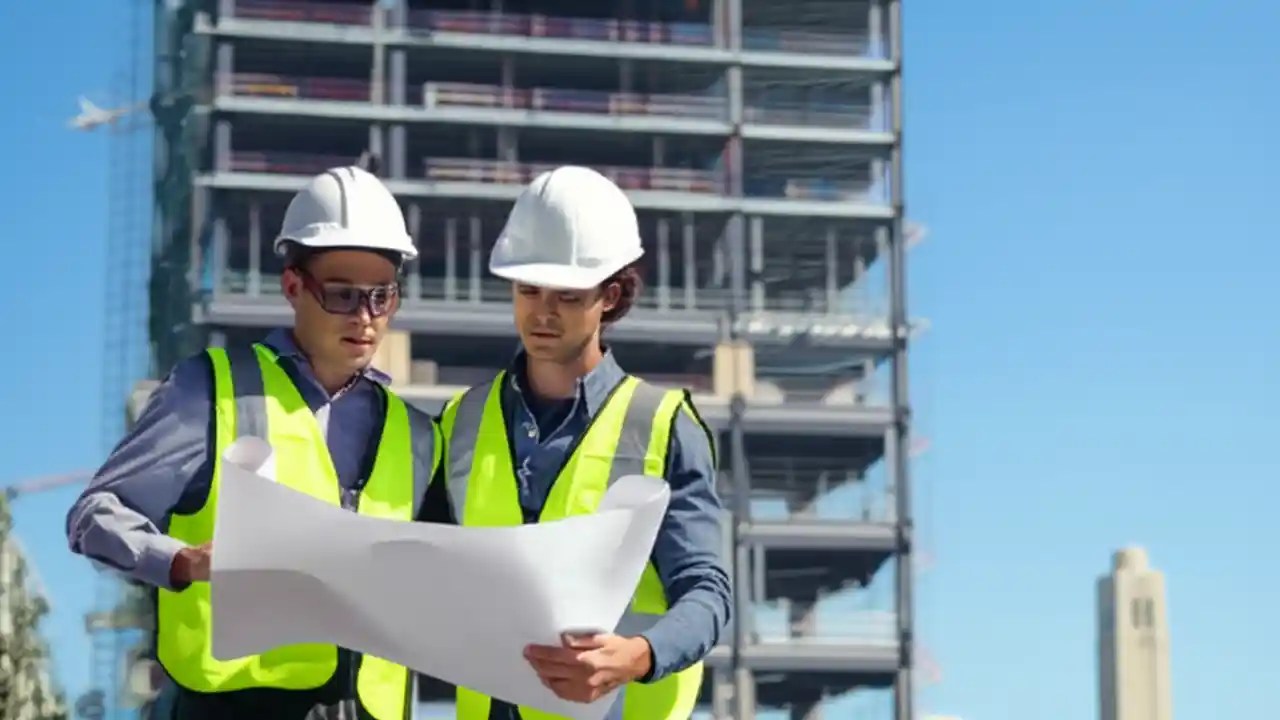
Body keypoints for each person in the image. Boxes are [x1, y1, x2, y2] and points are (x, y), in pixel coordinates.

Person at [66, 166, 443, 720]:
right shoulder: (209, 391)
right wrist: (182, 562)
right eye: (342, 295)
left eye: (381, 297)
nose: (365, 318)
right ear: (293, 286)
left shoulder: (417, 434)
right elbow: (94, 515)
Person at [432, 166, 732, 720]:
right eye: (528, 290)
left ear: (609, 296)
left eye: (567, 296)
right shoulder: (460, 421)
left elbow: (707, 593)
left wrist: (638, 656)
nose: (542, 312)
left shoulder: (664, 426)